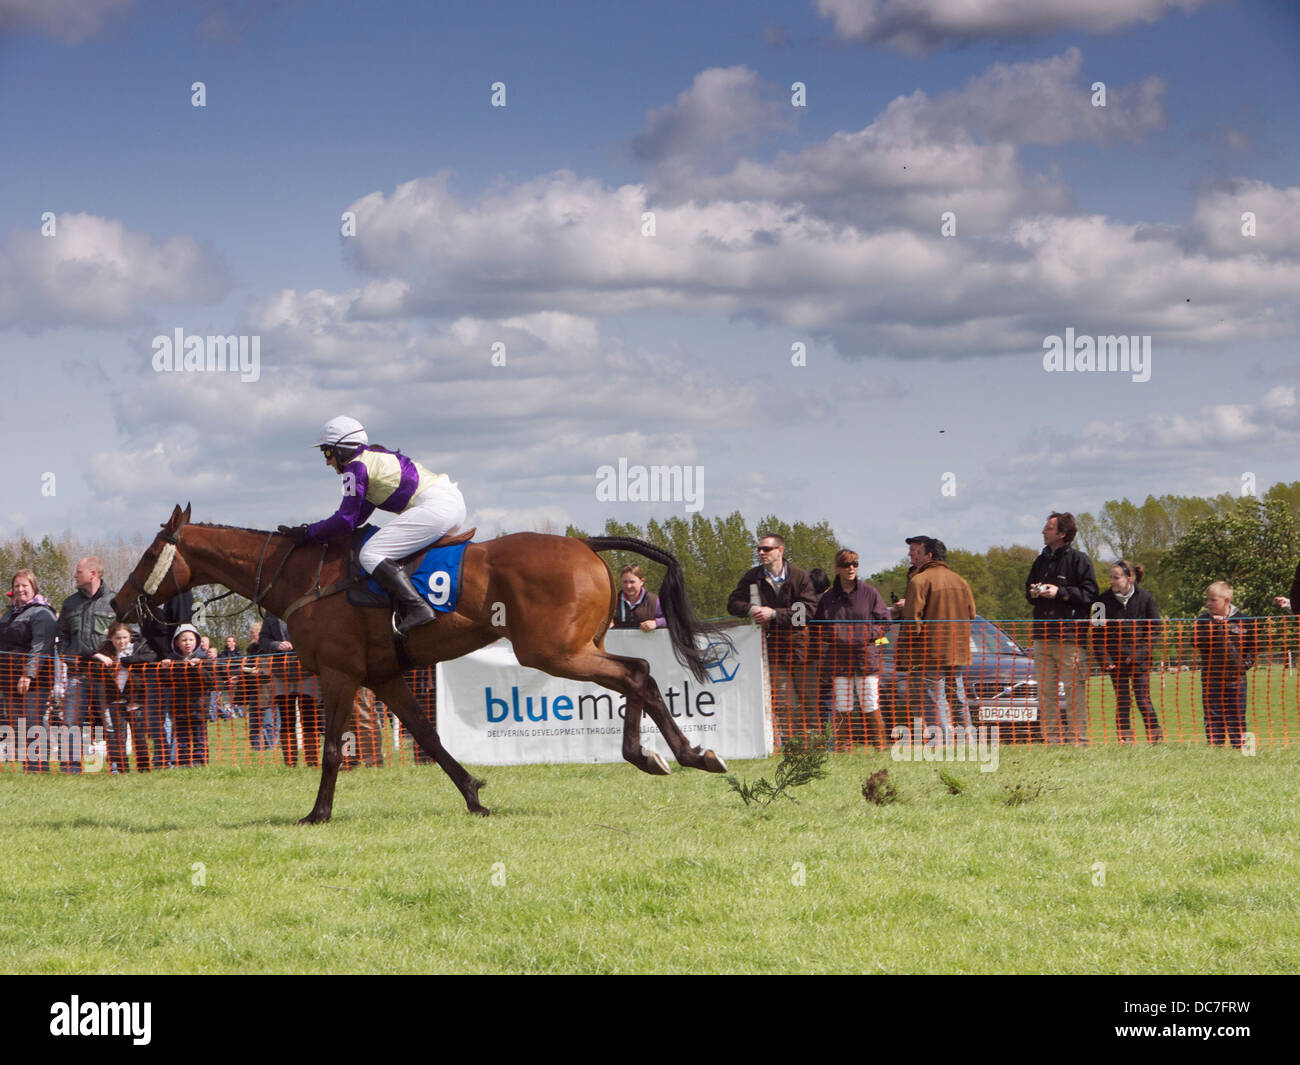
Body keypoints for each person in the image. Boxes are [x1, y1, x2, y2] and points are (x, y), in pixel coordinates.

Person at [278, 416, 467, 635]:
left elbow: (345, 520)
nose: (327, 462)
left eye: (327, 453)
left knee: (370, 554)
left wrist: (307, 532)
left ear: (341, 449)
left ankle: (418, 608)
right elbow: (356, 519)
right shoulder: (370, 460)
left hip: (438, 508)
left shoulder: (355, 468)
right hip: (450, 504)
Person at [726, 533, 819, 741]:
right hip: (774, 650)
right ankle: (791, 746)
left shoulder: (800, 576)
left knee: (809, 702)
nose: (761, 553)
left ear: (780, 551)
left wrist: (774, 614)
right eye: (759, 549)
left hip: (804, 650)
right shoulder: (753, 576)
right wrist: (752, 609)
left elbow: (808, 612)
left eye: (766, 549)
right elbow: (732, 603)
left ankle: (815, 747)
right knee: (785, 703)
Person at [894, 537, 976, 744]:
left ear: (929, 556)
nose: (910, 555)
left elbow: (913, 620)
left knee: (933, 697)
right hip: (957, 649)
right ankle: (968, 739)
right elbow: (972, 614)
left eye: (915, 551)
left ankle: (941, 742)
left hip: (928, 651)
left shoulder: (919, 581)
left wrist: (908, 650)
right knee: (957, 695)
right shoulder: (961, 581)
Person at [1025, 513, 1098, 745]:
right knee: (1045, 692)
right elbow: (1028, 591)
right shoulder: (1040, 560)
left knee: (1074, 689)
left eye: (1048, 528)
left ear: (1062, 534)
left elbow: (1090, 595)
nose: (1043, 532)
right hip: (1042, 636)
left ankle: (1078, 738)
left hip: (1070, 638)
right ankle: (1052, 738)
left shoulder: (1080, 560)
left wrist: (1061, 592)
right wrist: (1034, 591)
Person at [812, 549, 890, 750]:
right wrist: (833, 636)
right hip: (838, 660)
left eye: (855, 563)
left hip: (866, 658)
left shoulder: (870, 593)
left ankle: (880, 747)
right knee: (843, 706)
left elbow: (885, 621)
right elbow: (817, 626)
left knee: (870, 703)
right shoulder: (828, 598)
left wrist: (867, 635)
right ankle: (844, 747)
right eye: (846, 564)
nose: (851, 568)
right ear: (837, 568)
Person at [52, 557, 118, 773]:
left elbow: (127, 635)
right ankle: (71, 766)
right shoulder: (70, 603)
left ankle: (117, 766)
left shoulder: (115, 601)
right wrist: (67, 657)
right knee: (71, 721)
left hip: (106, 676)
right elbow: (61, 637)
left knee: (109, 722)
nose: (74, 575)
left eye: (78, 571)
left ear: (93, 574)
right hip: (77, 673)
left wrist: (112, 659)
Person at [1093, 561, 1163, 744]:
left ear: (1129, 579)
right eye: (1110, 577)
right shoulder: (1100, 602)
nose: (1111, 581)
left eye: (1116, 577)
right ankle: (1125, 740)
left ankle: (1156, 740)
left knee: (1143, 699)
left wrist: (1139, 654)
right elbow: (1096, 634)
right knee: (1123, 701)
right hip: (1115, 663)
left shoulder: (1146, 598)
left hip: (1140, 661)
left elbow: (1155, 629)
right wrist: (1105, 660)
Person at [0, 569, 57, 772]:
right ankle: (29, 765)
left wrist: (28, 674)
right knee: (17, 723)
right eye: (17, 585)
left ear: (34, 588)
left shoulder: (42, 612)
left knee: (32, 721)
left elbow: (41, 646)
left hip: (35, 681)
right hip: (8, 678)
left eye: (25, 585)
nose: (20, 589)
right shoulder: (9, 613)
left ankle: (38, 767)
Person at [1192, 581, 1256, 749]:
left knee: (1237, 716)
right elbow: (1195, 642)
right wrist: (1215, 627)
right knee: (1213, 716)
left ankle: (1242, 750)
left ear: (1226, 600)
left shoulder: (1244, 620)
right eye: (1207, 600)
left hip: (1236, 679)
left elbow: (1253, 648)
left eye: (1213, 600)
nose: (1208, 604)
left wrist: (1244, 666)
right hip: (1211, 678)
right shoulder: (1203, 620)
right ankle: (1215, 749)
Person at [91, 621, 157, 773]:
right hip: (115, 698)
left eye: (125, 637)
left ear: (130, 636)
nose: (122, 641)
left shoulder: (139, 646)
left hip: (135, 698)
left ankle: (144, 768)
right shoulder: (105, 650)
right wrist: (99, 657)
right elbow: (90, 659)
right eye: (118, 638)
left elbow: (151, 657)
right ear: (111, 639)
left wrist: (125, 662)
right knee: (118, 736)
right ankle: (121, 768)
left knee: (139, 736)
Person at [159, 623, 214, 767]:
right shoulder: (172, 660)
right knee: (182, 739)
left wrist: (197, 668)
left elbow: (210, 682)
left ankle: (200, 763)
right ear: (177, 642)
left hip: (199, 708)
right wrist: (165, 669)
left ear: (196, 641)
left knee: (199, 739)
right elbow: (167, 683)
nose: (187, 643)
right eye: (183, 640)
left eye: (190, 639)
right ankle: (183, 763)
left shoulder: (204, 659)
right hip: (179, 708)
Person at [611, 564, 666, 631]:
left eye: (632, 582)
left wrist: (656, 623)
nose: (628, 586)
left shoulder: (654, 601)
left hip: (648, 641)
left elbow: (672, 619)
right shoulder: (612, 601)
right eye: (625, 582)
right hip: (618, 640)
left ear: (642, 581)